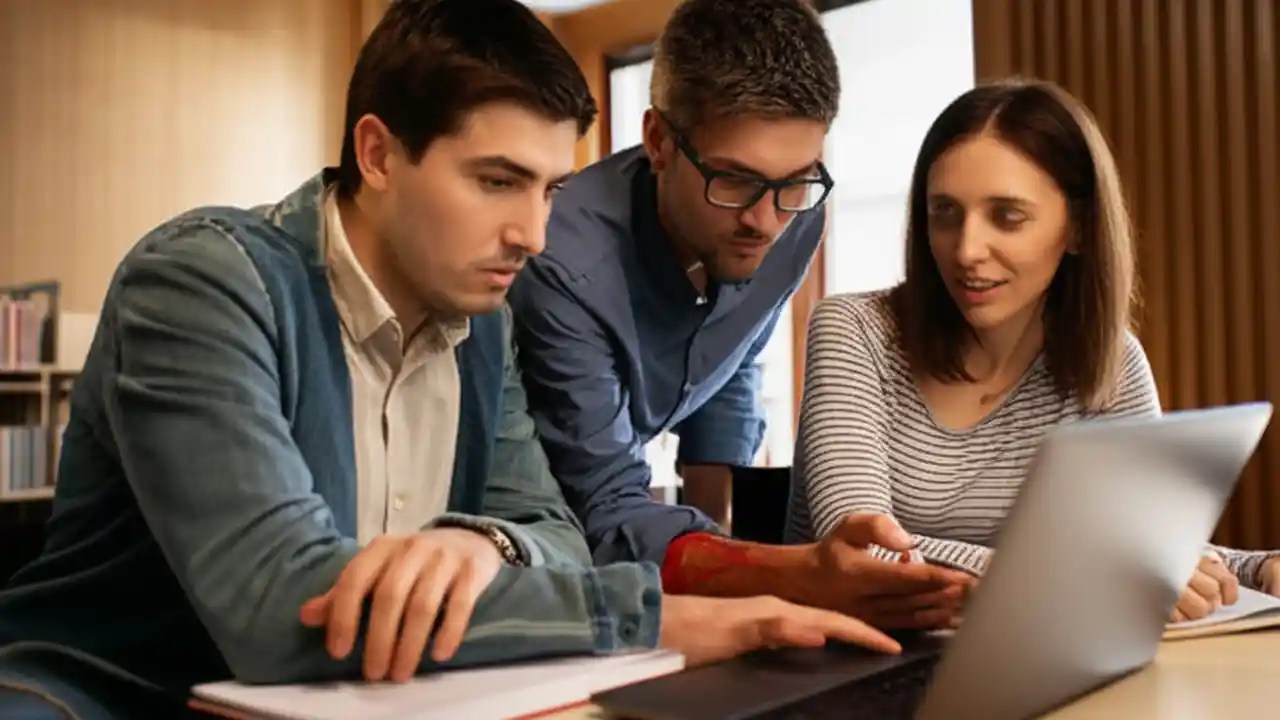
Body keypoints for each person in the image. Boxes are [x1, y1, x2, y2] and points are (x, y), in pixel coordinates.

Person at [0, 2, 908, 717]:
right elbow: (282, 615)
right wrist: (665, 620)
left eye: (550, 187)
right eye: (497, 180)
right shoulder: (202, 282)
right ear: (378, 153)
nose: (534, 232)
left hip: (375, 700)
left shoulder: (484, 323)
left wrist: (480, 545)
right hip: (115, 699)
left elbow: (552, 533)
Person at [508, 0, 972, 628]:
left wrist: (722, 548)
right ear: (658, 141)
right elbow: (606, 511)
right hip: (525, 545)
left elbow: (736, 353)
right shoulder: (561, 263)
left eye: (794, 180)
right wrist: (792, 574)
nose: (764, 222)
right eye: (733, 180)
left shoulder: (798, 214)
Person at [787, 78, 1280, 625]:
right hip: (840, 668)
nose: (967, 250)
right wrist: (1081, 575)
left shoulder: (1111, 364)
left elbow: (1146, 549)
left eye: (1008, 216)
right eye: (945, 212)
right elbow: (858, 550)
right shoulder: (852, 331)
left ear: (1078, 229)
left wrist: (1256, 568)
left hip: (1005, 665)